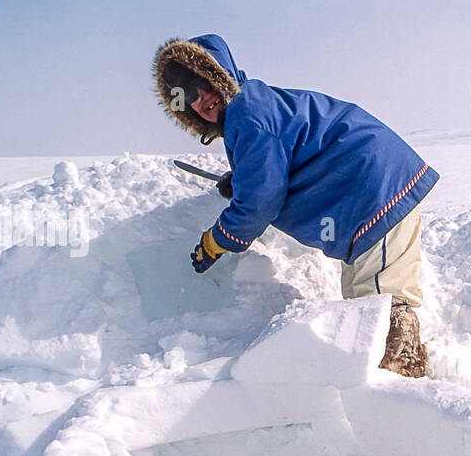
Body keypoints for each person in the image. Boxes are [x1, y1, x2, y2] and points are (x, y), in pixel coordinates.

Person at [153, 33, 437, 378]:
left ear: (221, 76)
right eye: (190, 96)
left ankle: (401, 389)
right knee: (368, 300)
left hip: (372, 190)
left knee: (380, 305)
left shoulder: (247, 114)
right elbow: (283, 153)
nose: (203, 99)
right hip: (375, 187)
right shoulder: (252, 106)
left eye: (206, 85)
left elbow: (261, 201)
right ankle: (397, 383)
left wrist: (218, 239)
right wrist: (243, 176)